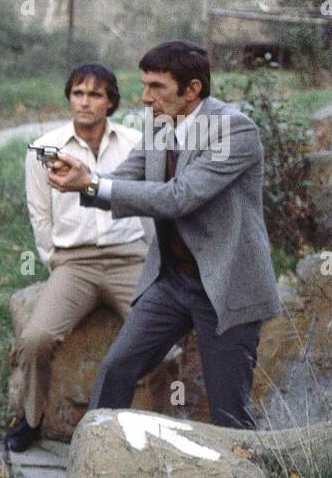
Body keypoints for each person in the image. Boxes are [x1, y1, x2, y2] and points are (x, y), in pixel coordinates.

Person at [48, 40, 282, 435]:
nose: (145, 98)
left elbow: (180, 197)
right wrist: (83, 181)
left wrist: (92, 184)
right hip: (172, 283)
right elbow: (126, 177)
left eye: (157, 87)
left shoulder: (233, 130)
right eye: (144, 85)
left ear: (192, 89)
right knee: (115, 371)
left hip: (225, 288)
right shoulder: (159, 124)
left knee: (229, 413)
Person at [6, 64, 147, 452]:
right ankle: (31, 419)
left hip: (129, 258)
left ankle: (146, 432)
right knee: (36, 338)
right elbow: (39, 212)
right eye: (78, 93)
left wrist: (151, 258)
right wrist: (56, 260)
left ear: (111, 101)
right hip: (75, 263)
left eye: (96, 94)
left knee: (159, 339)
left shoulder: (136, 143)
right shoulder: (45, 148)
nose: (85, 102)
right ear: (69, 97)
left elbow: (152, 202)